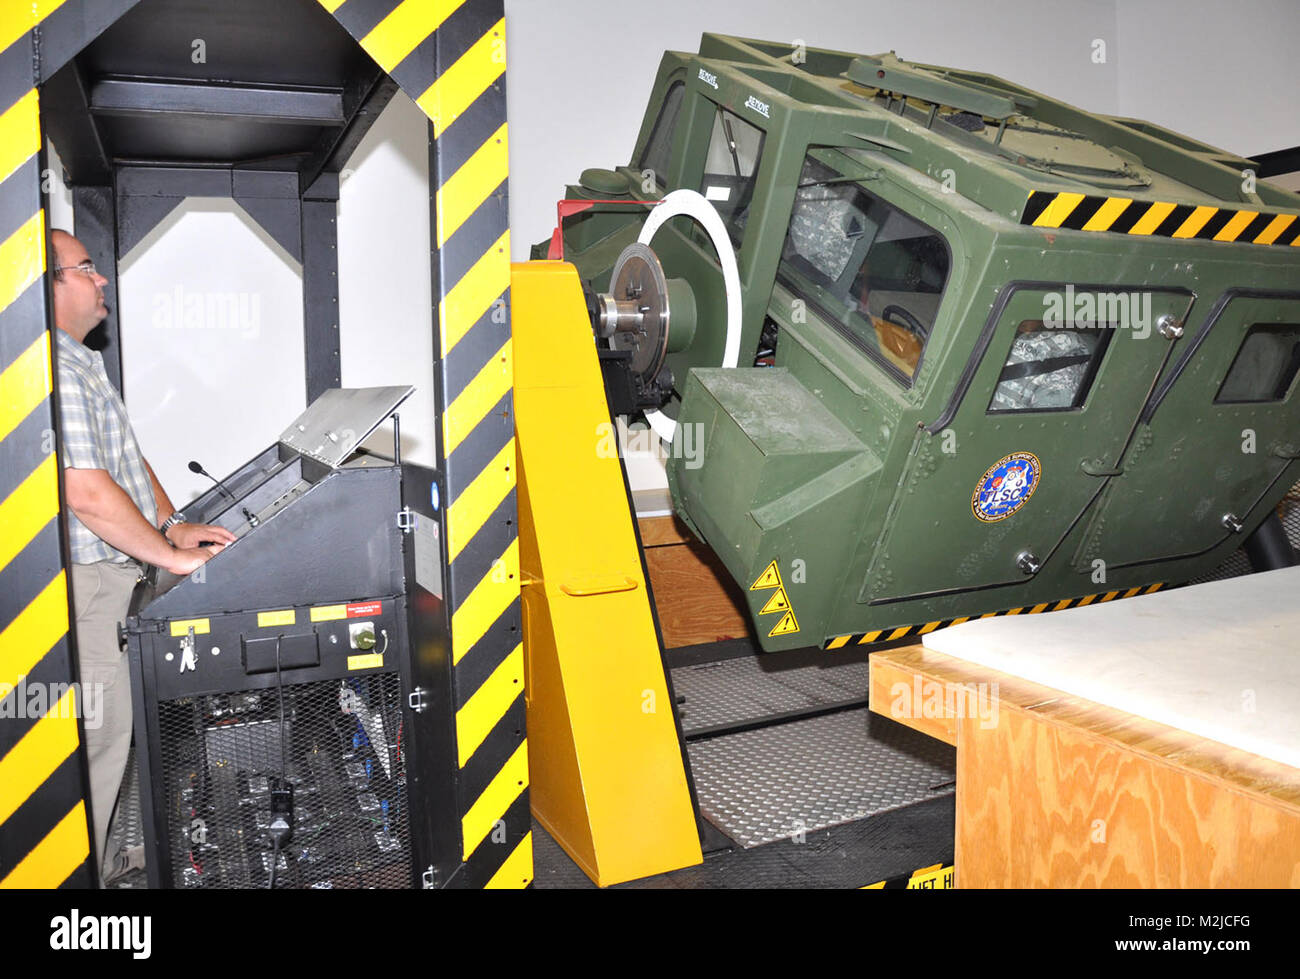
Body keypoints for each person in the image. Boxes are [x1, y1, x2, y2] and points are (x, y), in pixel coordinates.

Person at [50, 229, 237, 885]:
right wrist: (168, 556)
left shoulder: (79, 363)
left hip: (114, 577)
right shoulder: (53, 369)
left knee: (112, 729)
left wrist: (173, 524)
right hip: (91, 582)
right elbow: (86, 490)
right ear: (51, 286)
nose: (101, 281)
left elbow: (126, 461)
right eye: (86, 269)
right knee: (98, 739)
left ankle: (99, 858)